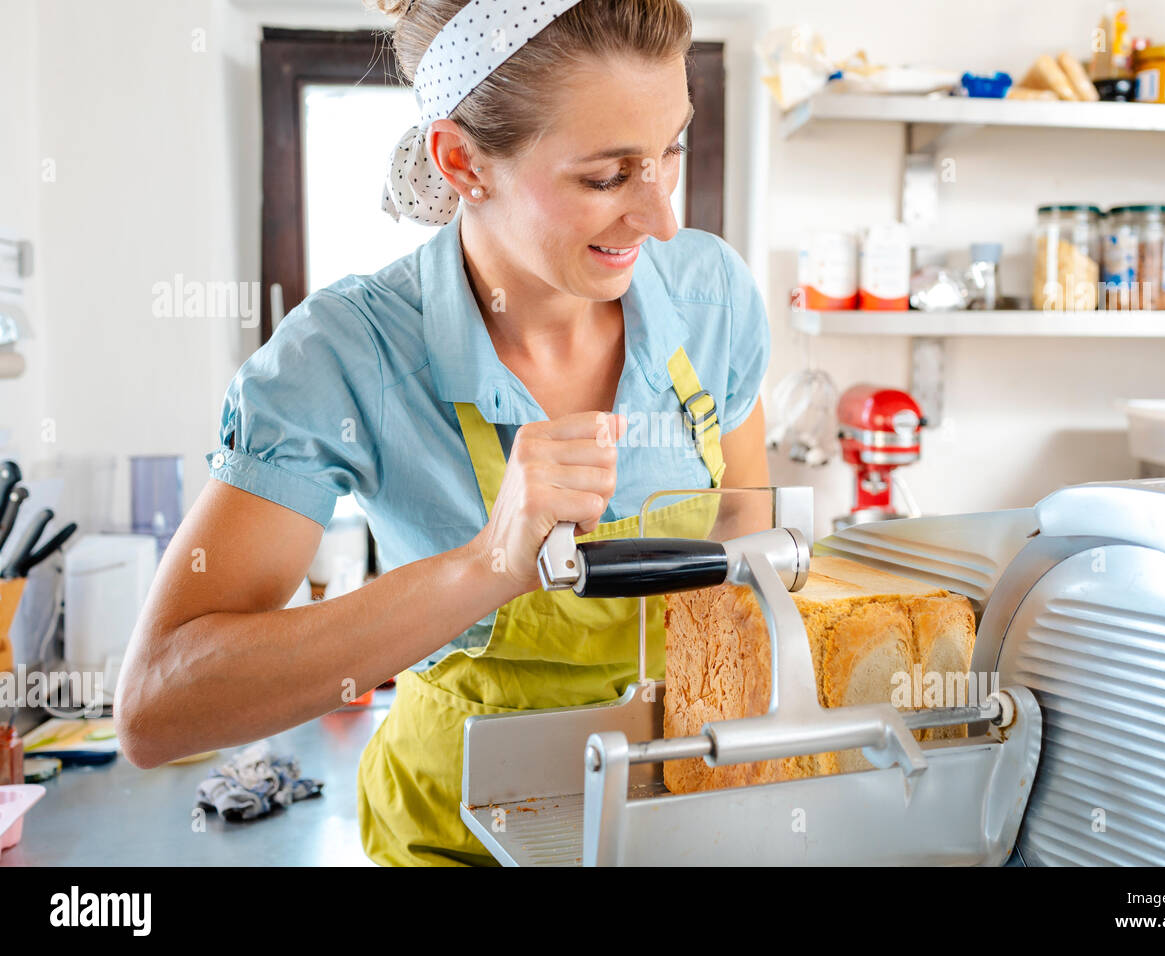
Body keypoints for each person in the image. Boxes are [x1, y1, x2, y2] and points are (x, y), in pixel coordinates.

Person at [114, 0, 772, 866]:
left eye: (671, 150)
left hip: (682, 822)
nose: (662, 218)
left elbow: (746, 564)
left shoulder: (710, 296)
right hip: (454, 838)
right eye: (608, 178)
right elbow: (159, 709)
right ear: (464, 161)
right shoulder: (347, 353)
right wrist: (488, 564)